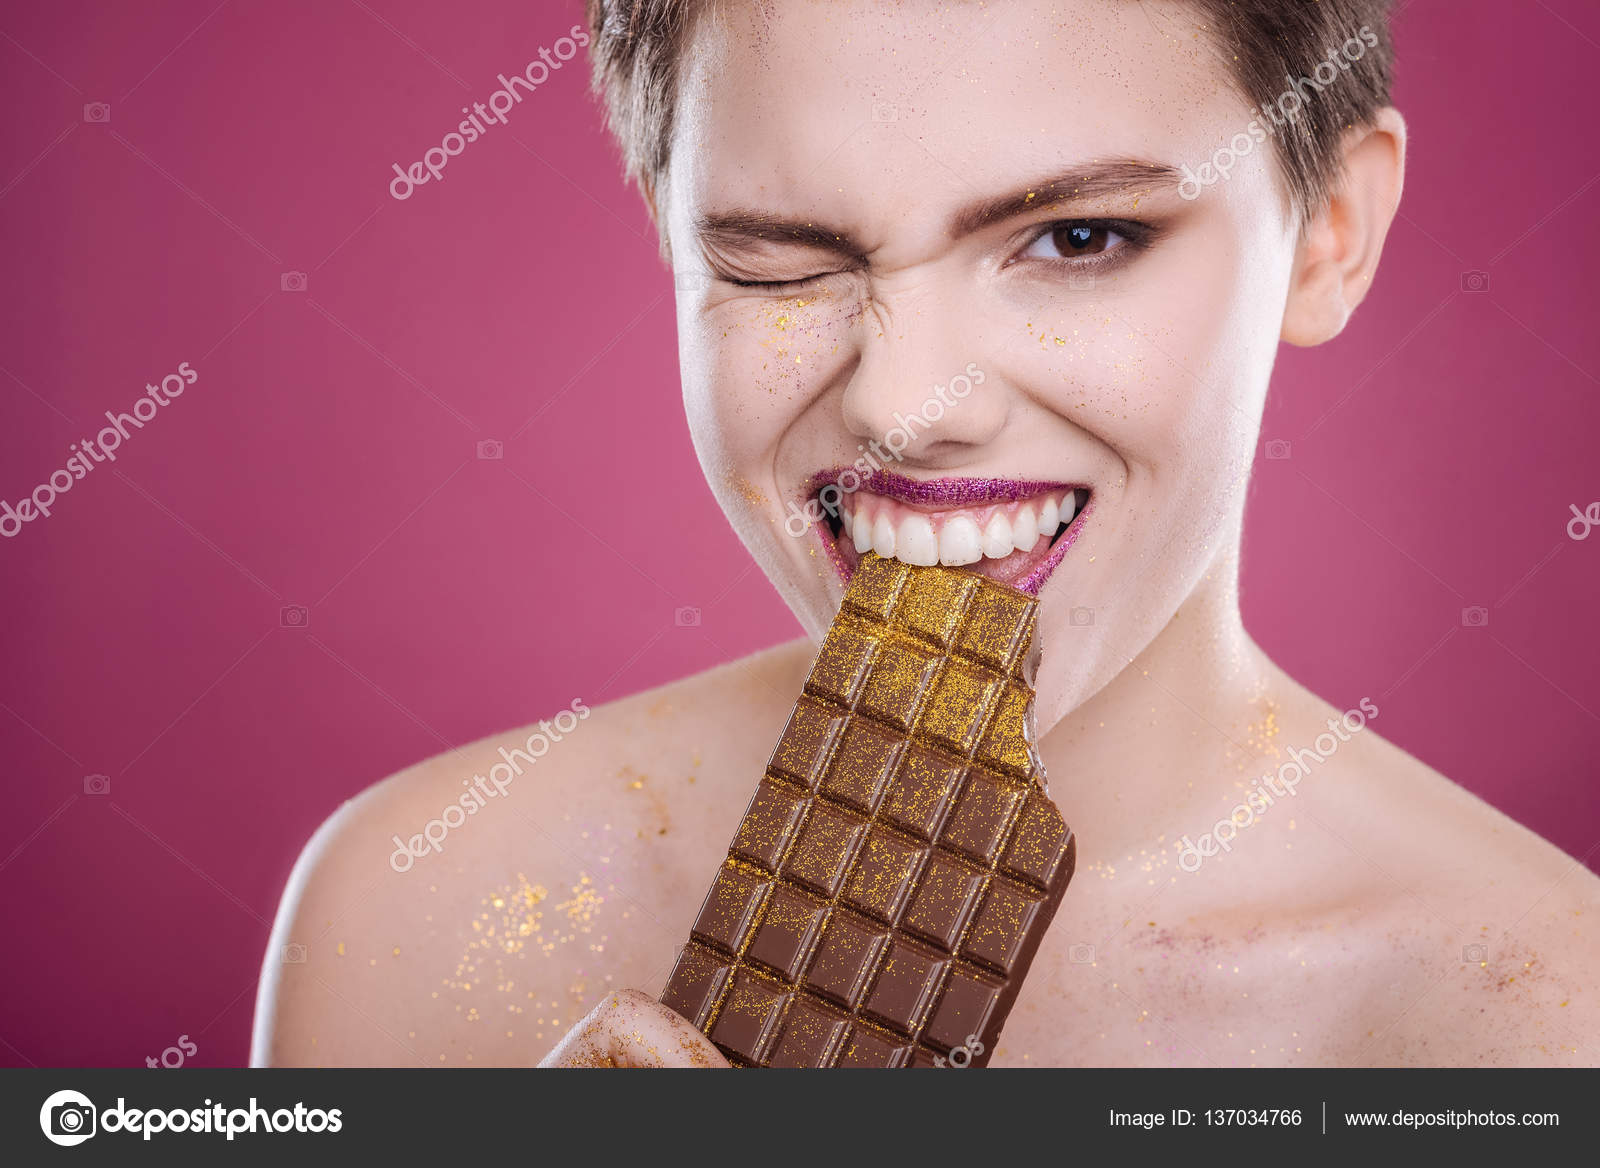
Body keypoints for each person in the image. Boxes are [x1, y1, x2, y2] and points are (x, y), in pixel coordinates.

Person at [253, 0, 1599, 1068]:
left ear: (1330, 234)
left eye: (1078, 236)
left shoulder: (1546, 1026)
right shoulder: (416, 921)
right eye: (780, 263)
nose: (904, 408)